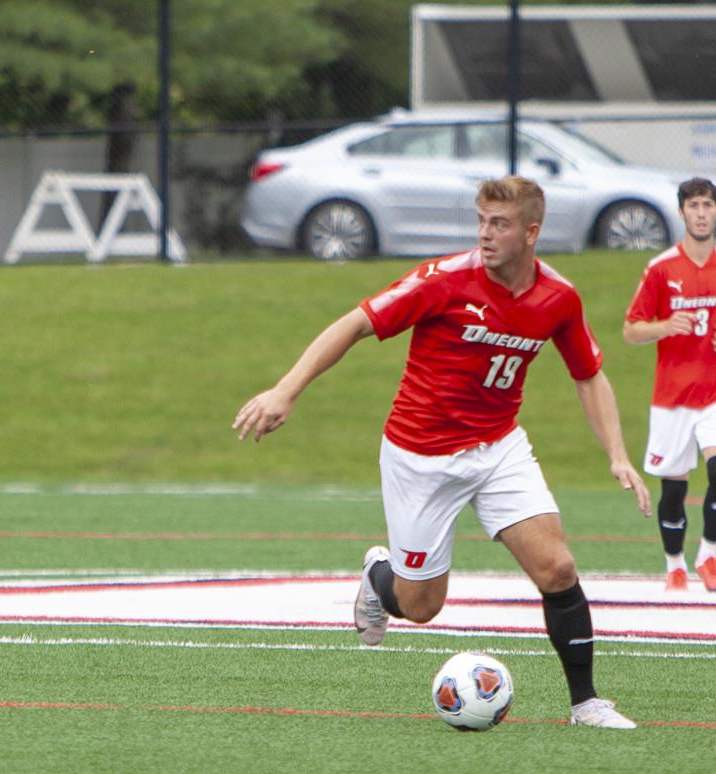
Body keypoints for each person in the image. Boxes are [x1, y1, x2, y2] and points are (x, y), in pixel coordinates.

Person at [232, 175, 650, 729]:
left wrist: (618, 454)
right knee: (423, 607)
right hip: (421, 456)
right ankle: (379, 576)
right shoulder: (444, 280)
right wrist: (286, 389)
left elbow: (590, 376)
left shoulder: (558, 298)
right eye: (480, 220)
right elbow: (356, 323)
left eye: (499, 224)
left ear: (531, 232)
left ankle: (586, 703)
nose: (485, 233)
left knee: (557, 568)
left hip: (499, 447)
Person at [622, 177, 716, 593]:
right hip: (672, 399)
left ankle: (709, 555)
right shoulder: (661, 269)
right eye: (694, 205)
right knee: (674, 489)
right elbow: (631, 330)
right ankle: (675, 564)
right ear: (682, 212)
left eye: (708, 205)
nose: (702, 213)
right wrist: (664, 326)